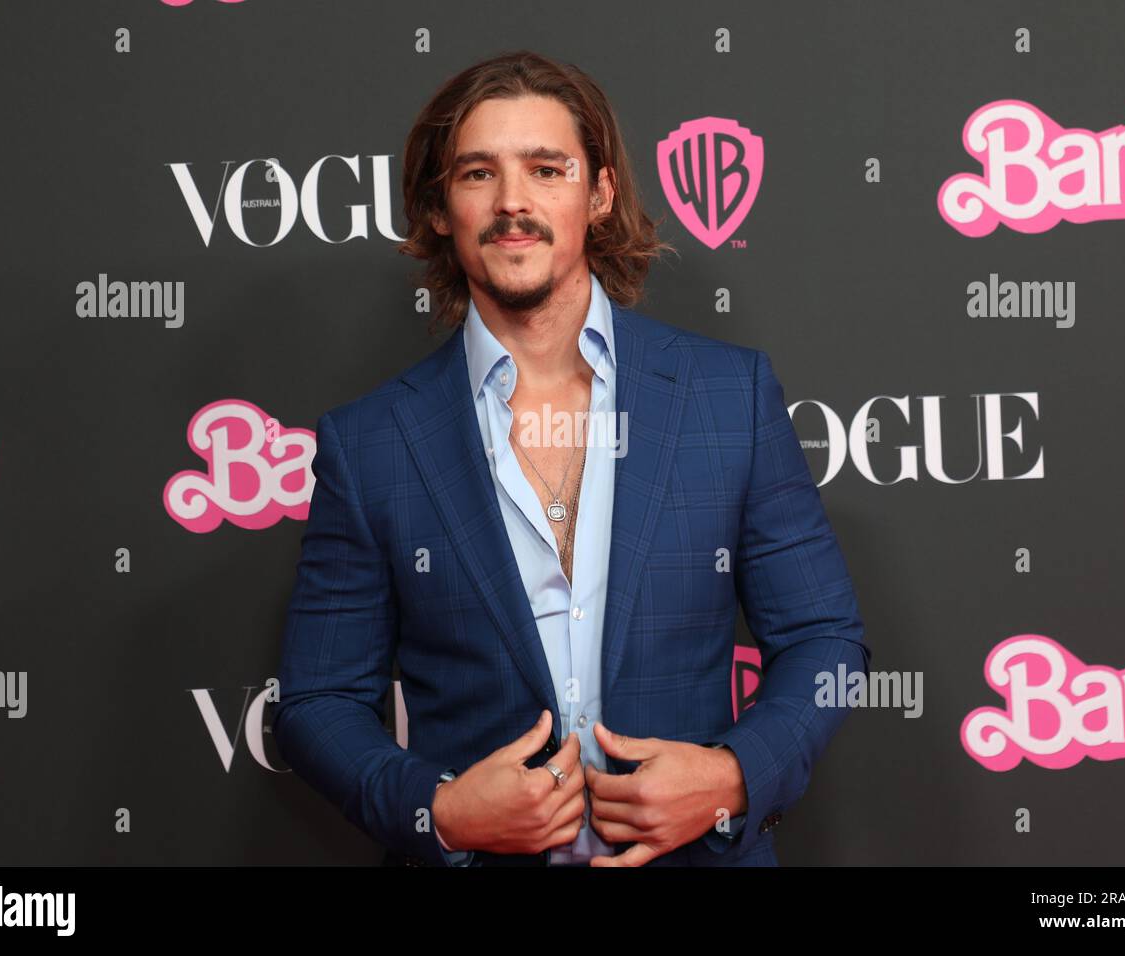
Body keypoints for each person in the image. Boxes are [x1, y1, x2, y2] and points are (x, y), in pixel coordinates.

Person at [272, 49, 870, 867]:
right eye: (479, 173)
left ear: (599, 194)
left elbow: (825, 638)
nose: (513, 202)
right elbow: (318, 702)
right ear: (439, 207)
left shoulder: (727, 395)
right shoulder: (369, 442)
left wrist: (733, 777)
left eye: (546, 169)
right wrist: (439, 812)